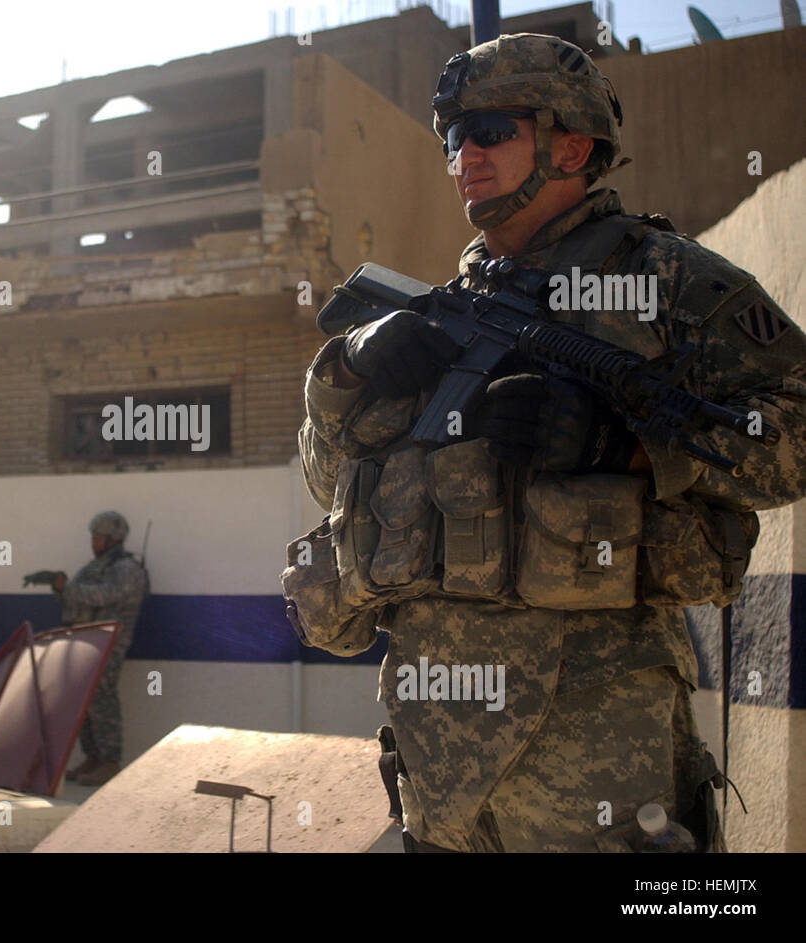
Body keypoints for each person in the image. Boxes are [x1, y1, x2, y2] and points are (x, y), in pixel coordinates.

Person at [295, 33, 806, 852]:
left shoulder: (666, 281)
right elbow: (329, 484)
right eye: (455, 137)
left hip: (596, 775)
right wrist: (346, 373)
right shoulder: (441, 314)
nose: (466, 155)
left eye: (492, 129)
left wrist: (627, 447)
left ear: (572, 143)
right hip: (440, 783)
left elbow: (796, 430)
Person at [24, 511, 149, 786]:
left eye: (98, 536)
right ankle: (92, 756)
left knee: (103, 698)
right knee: (85, 700)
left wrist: (65, 587)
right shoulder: (95, 566)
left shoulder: (127, 568)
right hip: (86, 641)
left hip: (109, 643)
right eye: (93, 536)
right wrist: (60, 588)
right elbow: (76, 597)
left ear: (113, 538)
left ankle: (110, 761)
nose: (94, 541)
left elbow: (103, 595)